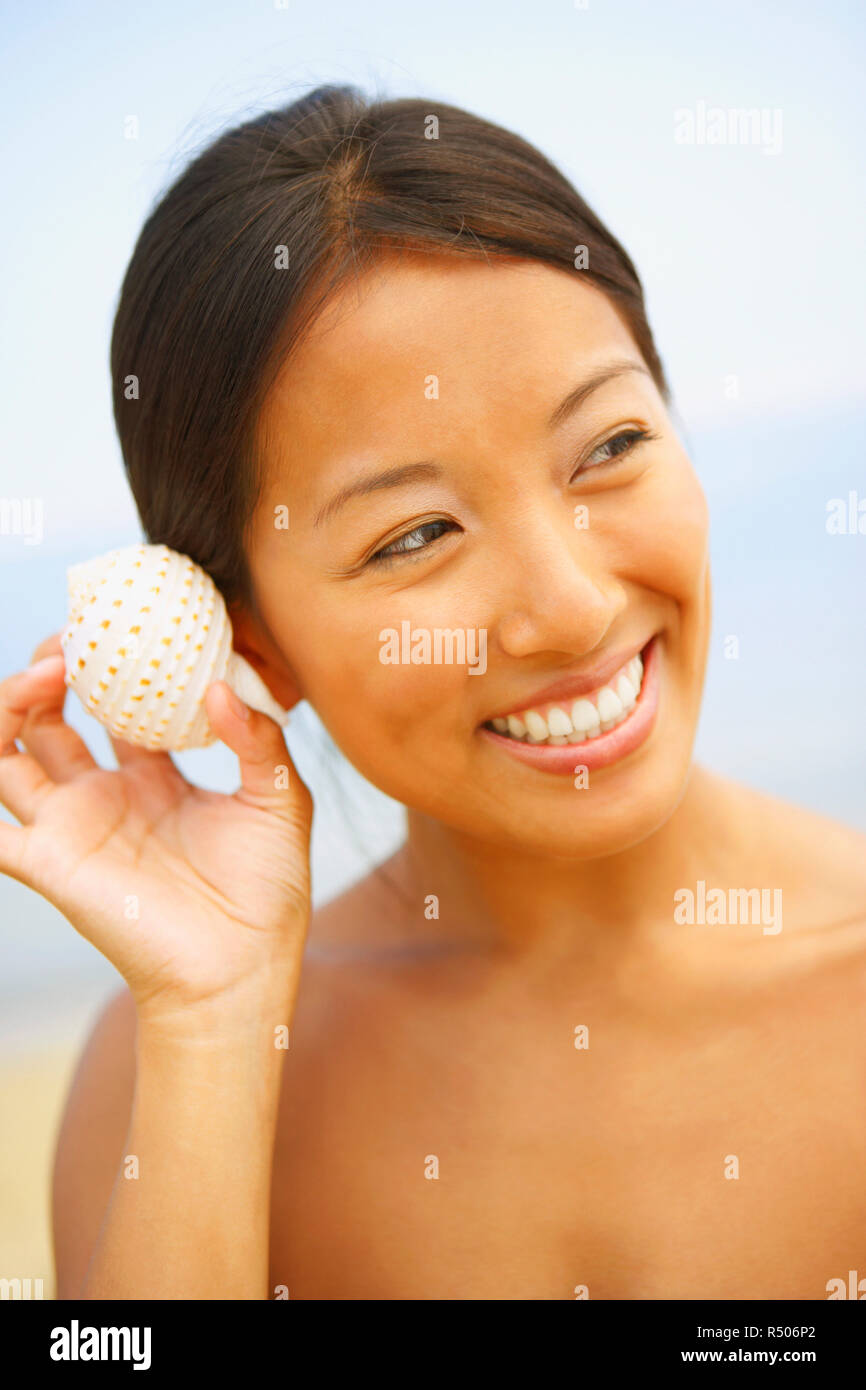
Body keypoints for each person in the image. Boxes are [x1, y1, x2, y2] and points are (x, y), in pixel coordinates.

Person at [2, 85, 865, 1301]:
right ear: (249, 640)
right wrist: (215, 1023)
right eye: (413, 535)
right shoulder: (174, 1081)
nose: (566, 607)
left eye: (609, 446)